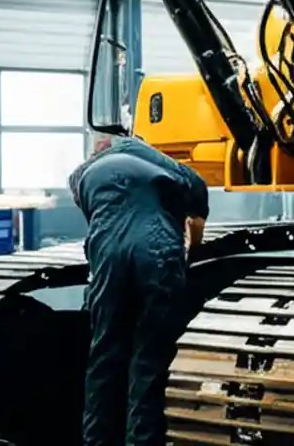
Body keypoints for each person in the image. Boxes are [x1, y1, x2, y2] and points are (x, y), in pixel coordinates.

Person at [67, 134, 208, 446]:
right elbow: (197, 202)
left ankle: (97, 441)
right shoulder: (158, 160)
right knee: (150, 356)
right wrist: (191, 251)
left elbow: (99, 221)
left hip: (107, 254)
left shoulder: (82, 175)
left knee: (104, 354)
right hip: (156, 250)